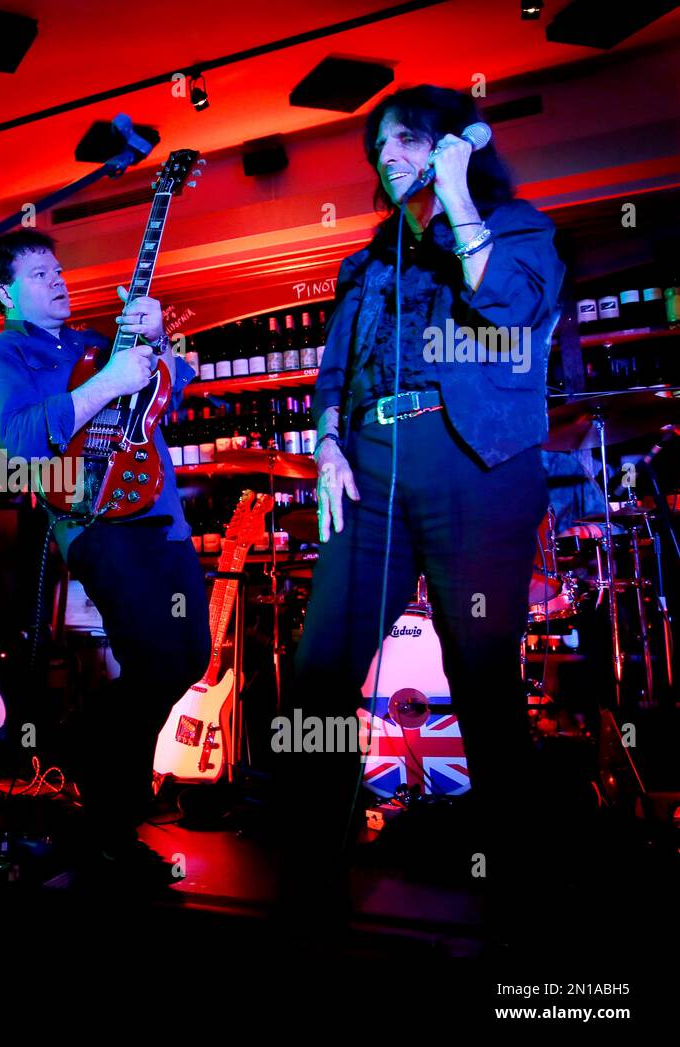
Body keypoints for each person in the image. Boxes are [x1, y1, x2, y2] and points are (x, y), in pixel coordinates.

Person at [286, 86, 565, 939]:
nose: (388, 155)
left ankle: (519, 892)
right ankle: (310, 874)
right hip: (370, 463)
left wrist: (456, 195)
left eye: (408, 139)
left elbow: (508, 307)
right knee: (320, 668)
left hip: (470, 458)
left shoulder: (516, 224)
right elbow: (334, 370)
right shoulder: (367, 260)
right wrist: (327, 443)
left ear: (450, 145)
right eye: (380, 145)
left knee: (482, 677)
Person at [0, 229, 210, 883]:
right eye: (40, 273)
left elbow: (173, 393)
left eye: (58, 267)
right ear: (5, 292)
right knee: (155, 659)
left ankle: (88, 749)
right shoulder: (2, 354)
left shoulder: (95, 343)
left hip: (163, 517)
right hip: (99, 523)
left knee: (191, 656)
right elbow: (19, 439)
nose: (58, 278)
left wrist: (156, 340)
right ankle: (116, 818)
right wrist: (108, 380)